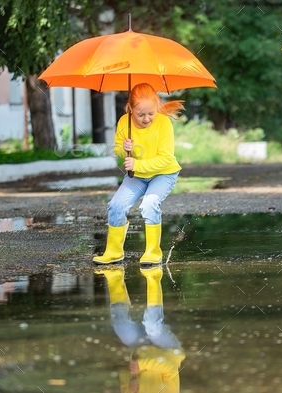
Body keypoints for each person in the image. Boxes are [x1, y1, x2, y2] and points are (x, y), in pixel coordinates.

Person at [93, 83, 183, 265]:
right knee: (116, 206)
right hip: (138, 176)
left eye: (151, 113)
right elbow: (118, 150)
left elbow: (165, 159)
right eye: (141, 114)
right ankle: (114, 251)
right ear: (130, 108)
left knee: (149, 204)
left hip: (163, 174)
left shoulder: (164, 123)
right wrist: (123, 148)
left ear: (157, 106)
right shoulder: (123, 122)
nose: (147, 119)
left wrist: (137, 163)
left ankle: (152, 252)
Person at [95, 265, 185, 393]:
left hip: (141, 349)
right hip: (168, 349)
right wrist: (142, 365)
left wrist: (130, 382)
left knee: (121, 328)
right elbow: (170, 368)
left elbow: (124, 372)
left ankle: (114, 276)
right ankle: (153, 276)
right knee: (152, 327)